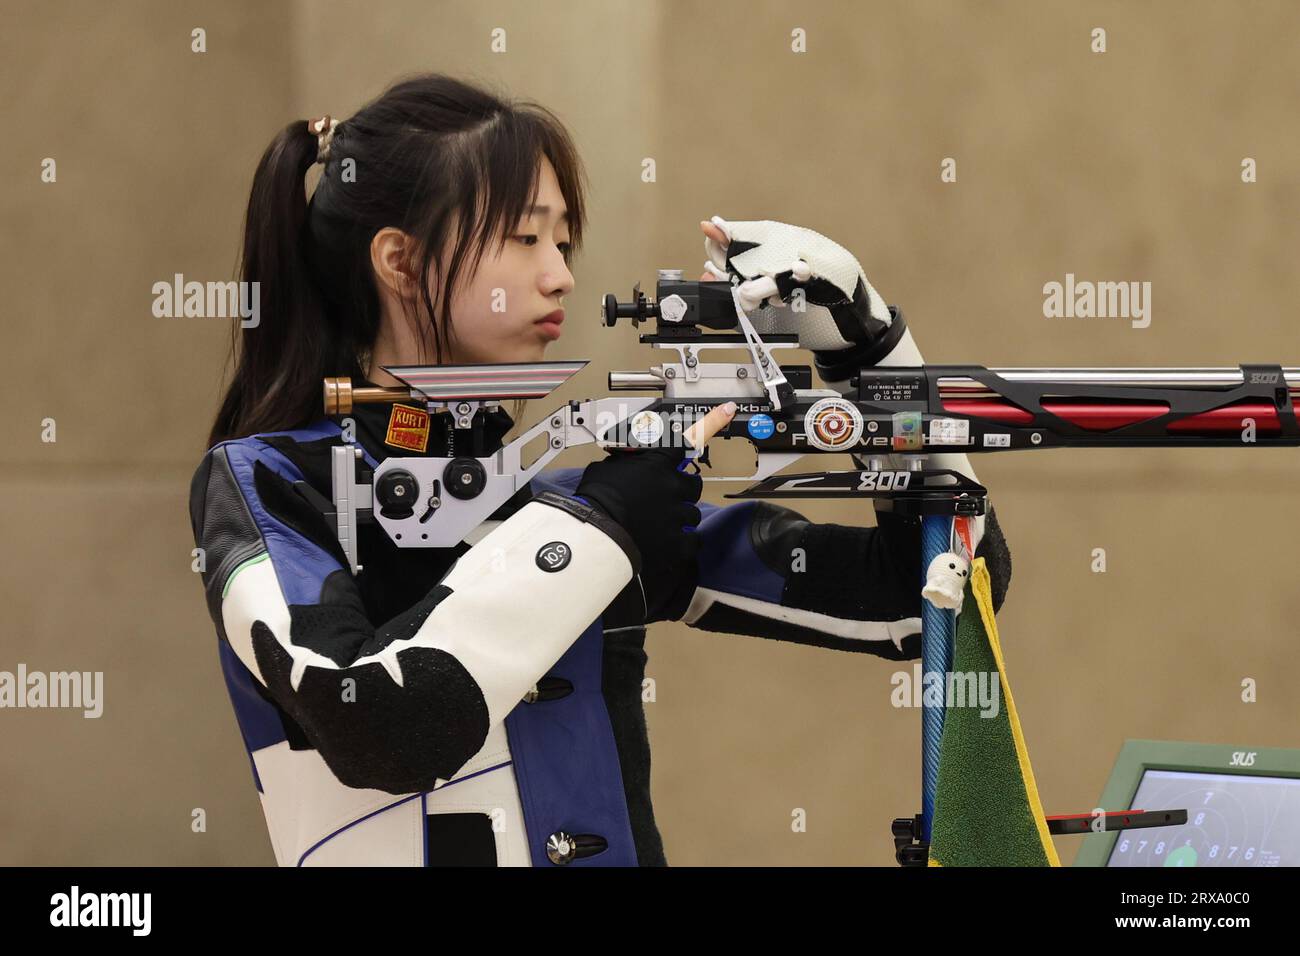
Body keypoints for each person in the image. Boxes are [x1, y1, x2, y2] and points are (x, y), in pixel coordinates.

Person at [188, 73, 1011, 867]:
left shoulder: (565, 502)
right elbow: (378, 725)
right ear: (399, 262)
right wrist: (601, 528)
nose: (561, 276)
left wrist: (868, 352)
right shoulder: (268, 483)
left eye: (563, 241)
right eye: (523, 236)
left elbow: (928, 603)